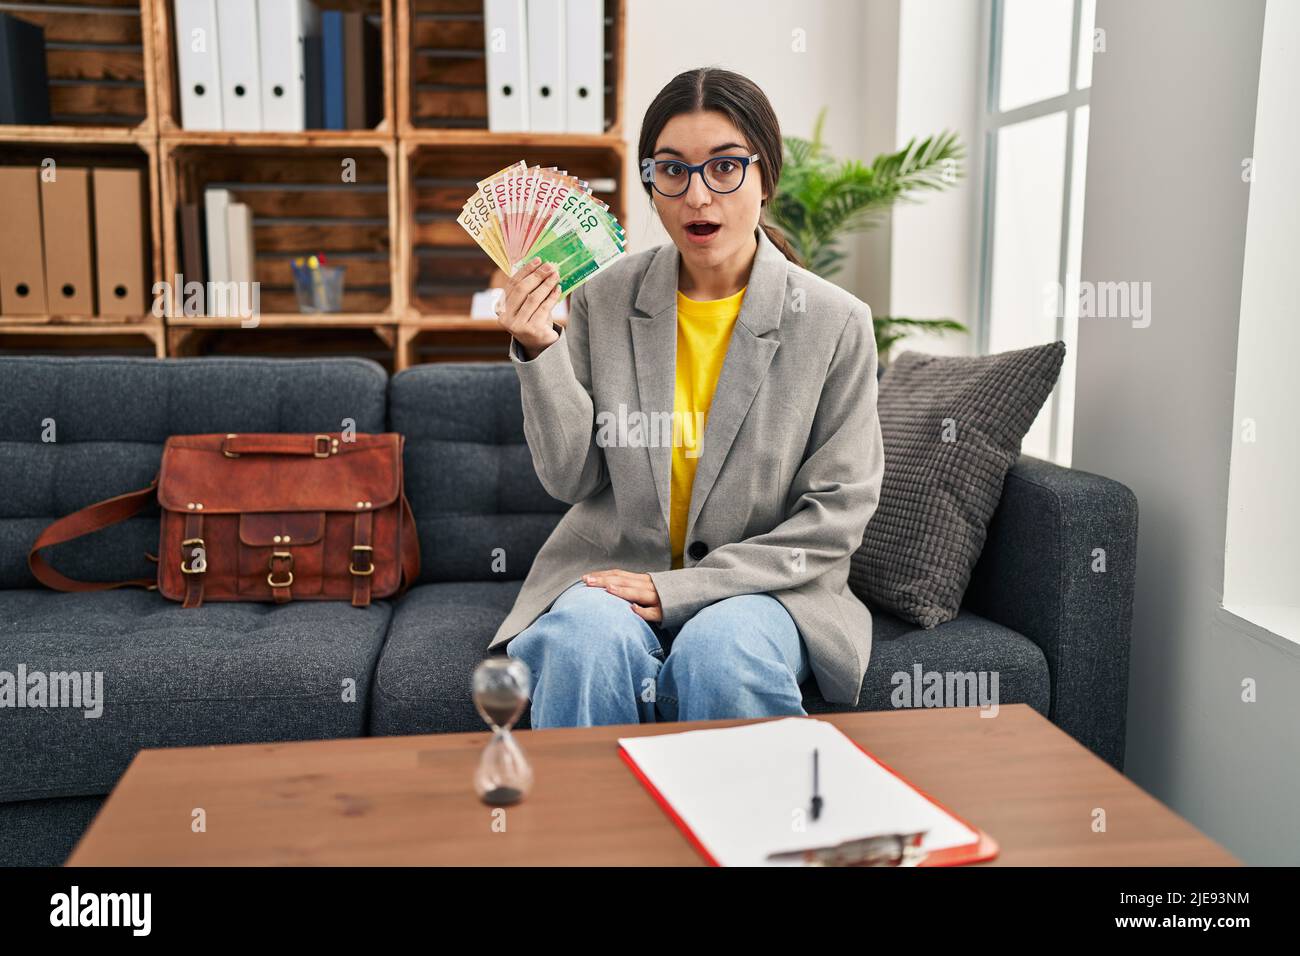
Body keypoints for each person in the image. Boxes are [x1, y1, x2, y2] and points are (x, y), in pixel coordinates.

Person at [488, 67, 885, 729]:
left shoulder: (835, 322)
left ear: (766, 177)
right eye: (672, 171)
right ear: (651, 183)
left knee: (721, 652)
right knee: (583, 642)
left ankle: (750, 833)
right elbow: (570, 477)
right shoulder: (599, 299)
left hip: (766, 591)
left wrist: (679, 590)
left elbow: (837, 514)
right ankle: (593, 832)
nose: (698, 195)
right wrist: (539, 352)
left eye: (725, 167)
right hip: (611, 576)